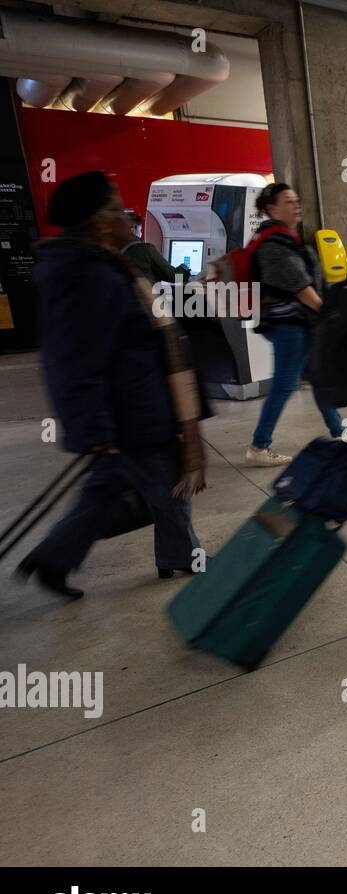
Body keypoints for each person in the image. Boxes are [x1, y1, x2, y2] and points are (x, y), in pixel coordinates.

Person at [16, 171, 206, 599]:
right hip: (129, 415)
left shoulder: (104, 266)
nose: (127, 217)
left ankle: (53, 557)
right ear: (101, 220)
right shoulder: (90, 277)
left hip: (132, 408)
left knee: (106, 493)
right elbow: (76, 361)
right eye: (120, 209)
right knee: (169, 488)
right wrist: (97, 431)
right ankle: (183, 555)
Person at [244, 182, 343, 467]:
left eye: (296, 200)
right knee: (285, 385)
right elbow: (300, 287)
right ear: (272, 208)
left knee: (318, 376)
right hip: (289, 324)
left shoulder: (285, 238)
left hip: (300, 324)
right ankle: (259, 446)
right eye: (288, 201)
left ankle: (340, 431)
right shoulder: (273, 243)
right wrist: (329, 314)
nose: (296, 205)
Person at [120, 213, 190, 286]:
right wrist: (184, 268)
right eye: (140, 230)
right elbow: (173, 276)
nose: (140, 233)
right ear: (133, 229)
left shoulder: (113, 249)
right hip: (145, 295)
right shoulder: (146, 249)